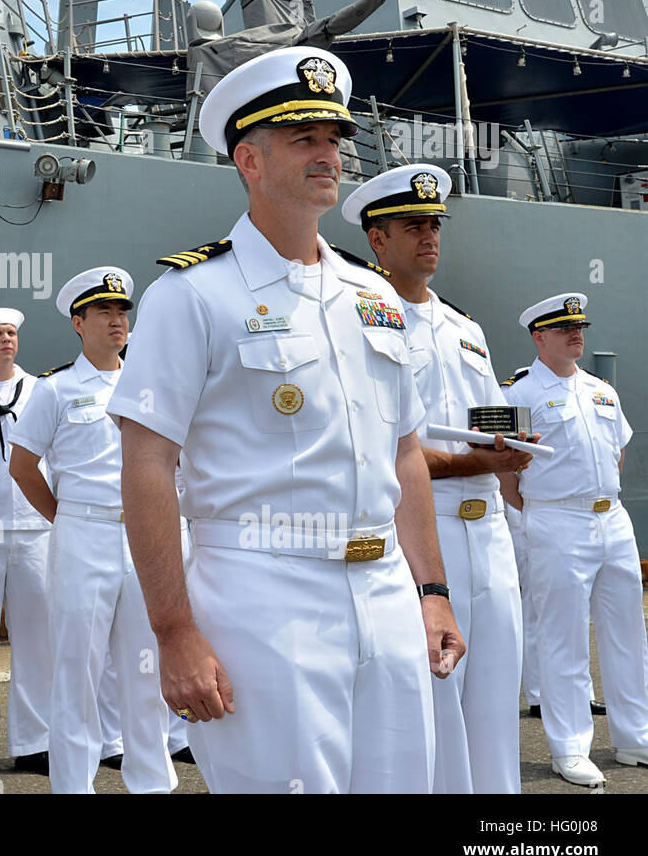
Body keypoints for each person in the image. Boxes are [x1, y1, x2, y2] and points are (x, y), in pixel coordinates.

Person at [108, 45, 463, 794]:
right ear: (250, 160)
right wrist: (174, 631)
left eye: (334, 139)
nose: (328, 154)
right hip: (263, 597)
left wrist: (431, 594)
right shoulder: (193, 295)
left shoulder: (374, 296)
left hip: (386, 594)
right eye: (304, 138)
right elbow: (146, 465)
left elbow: (405, 457)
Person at [344, 164, 525, 793]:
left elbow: (487, 422)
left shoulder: (465, 329)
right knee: (432, 703)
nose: (430, 236)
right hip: (422, 533)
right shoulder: (366, 322)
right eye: (413, 226)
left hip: (490, 533)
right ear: (377, 239)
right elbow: (380, 445)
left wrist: (512, 452)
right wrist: (479, 461)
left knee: (497, 699)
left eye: (435, 225)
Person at [8, 268, 178, 795]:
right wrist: (66, 519)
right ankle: (74, 786)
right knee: (77, 672)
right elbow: (22, 465)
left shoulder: (150, 383)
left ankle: (150, 782)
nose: (116, 320)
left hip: (145, 537)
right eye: (103, 312)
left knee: (146, 669)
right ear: (78, 323)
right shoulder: (55, 389)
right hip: (84, 535)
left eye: (122, 311)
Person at [499, 292, 648, 787]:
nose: (576, 334)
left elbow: (617, 455)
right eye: (565, 329)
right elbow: (506, 475)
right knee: (564, 639)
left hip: (614, 519)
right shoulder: (519, 395)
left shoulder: (602, 391)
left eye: (580, 326)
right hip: (557, 523)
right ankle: (568, 746)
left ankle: (634, 738)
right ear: (539, 337)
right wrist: (546, 512)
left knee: (627, 632)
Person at [0, 306, 53, 774]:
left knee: (37, 638)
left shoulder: (40, 389)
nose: (6, 340)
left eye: (12, 333)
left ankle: (35, 742)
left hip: (34, 527)